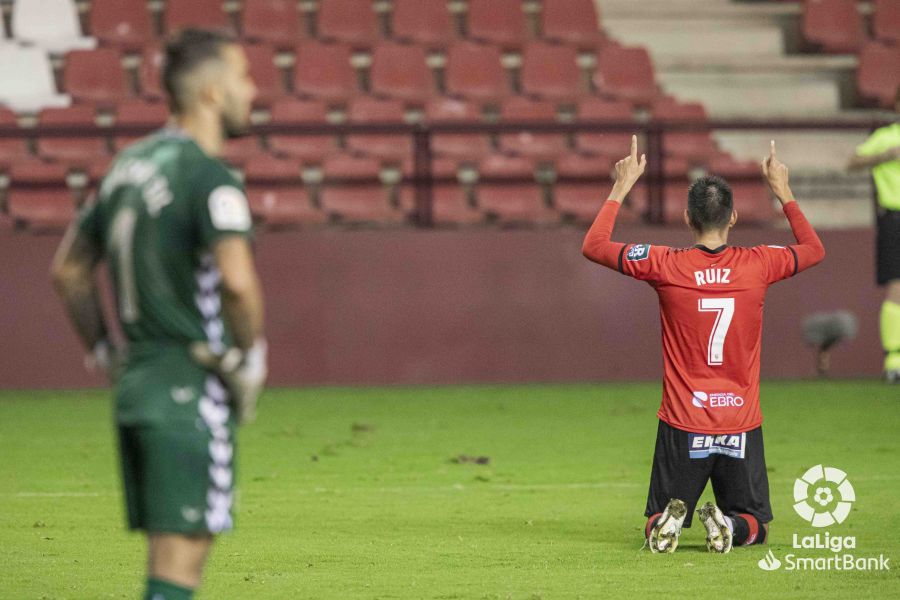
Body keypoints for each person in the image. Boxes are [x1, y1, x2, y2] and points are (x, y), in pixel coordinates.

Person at [51, 28, 266, 599]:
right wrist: (250, 357)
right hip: (188, 387)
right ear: (212, 93)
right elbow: (238, 284)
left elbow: (68, 270)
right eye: (243, 76)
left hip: (137, 385)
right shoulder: (208, 177)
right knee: (179, 568)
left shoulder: (127, 166)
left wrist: (105, 351)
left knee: (166, 567)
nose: (253, 89)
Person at [582, 136, 825, 553]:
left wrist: (621, 185)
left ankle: (668, 523)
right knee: (756, 525)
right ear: (733, 218)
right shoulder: (759, 264)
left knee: (655, 520)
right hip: (739, 422)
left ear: (686, 218)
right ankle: (729, 524)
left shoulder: (665, 264)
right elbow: (814, 250)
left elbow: (594, 246)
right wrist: (782, 190)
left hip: (683, 421)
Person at [848, 87, 900, 383]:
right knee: (897, 287)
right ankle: (894, 359)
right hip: (895, 217)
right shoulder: (887, 137)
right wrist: (885, 155)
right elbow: (852, 162)